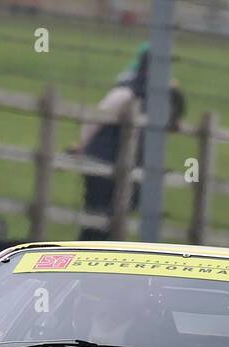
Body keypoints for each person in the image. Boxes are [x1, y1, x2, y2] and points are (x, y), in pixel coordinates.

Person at [69, 45, 185, 240]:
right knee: (98, 218)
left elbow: (171, 123)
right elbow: (95, 121)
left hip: (132, 166)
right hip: (103, 161)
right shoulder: (125, 94)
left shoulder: (160, 99)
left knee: (122, 214)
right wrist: (81, 146)